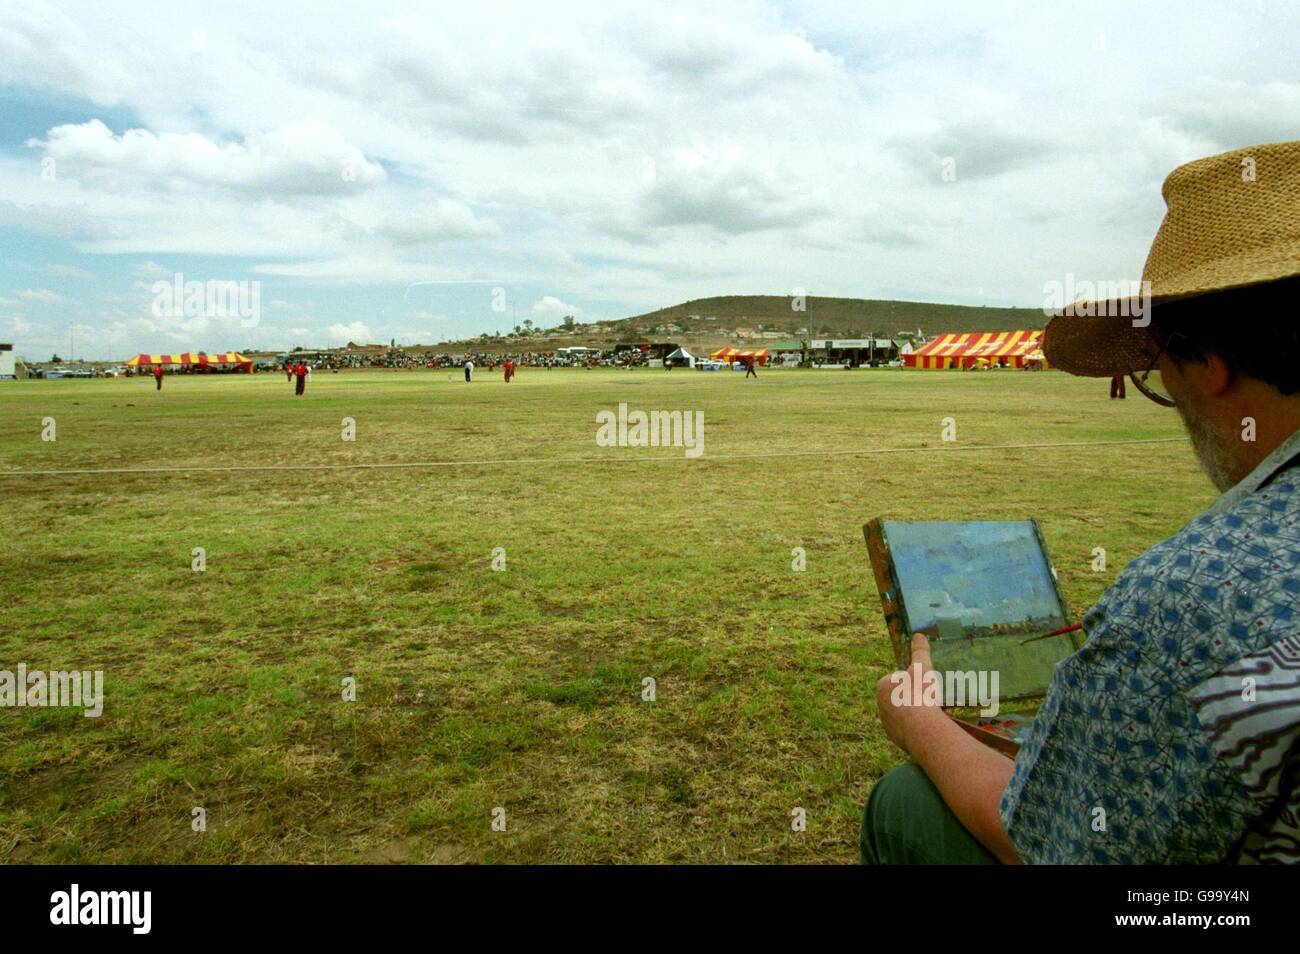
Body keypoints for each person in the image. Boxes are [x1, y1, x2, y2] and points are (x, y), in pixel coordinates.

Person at [863, 140, 1300, 865]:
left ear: (1210, 367)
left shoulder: (1195, 592)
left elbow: (1052, 844)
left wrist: (920, 723)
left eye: (1160, 374)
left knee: (906, 802)